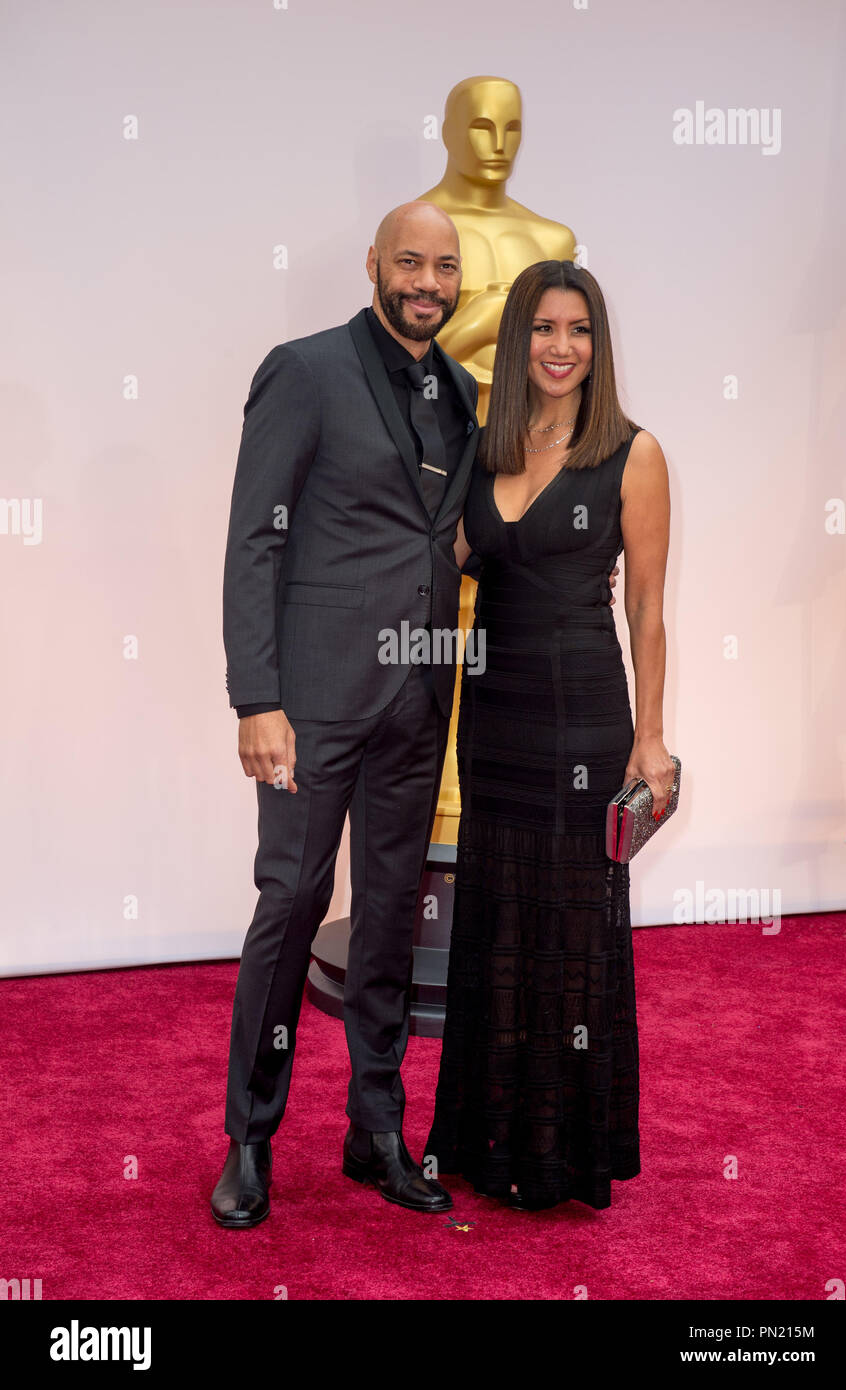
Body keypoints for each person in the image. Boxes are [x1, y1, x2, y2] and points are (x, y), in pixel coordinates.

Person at [211, 201, 484, 1227]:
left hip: (419, 695)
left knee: (386, 919)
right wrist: (257, 698)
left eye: (443, 266)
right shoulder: (305, 368)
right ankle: (247, 1136)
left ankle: (376, 1130)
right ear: (375, 263)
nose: (427, 280)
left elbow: (445, 538)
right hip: (311, 704)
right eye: (409, 261)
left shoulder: (458, 392)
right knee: (288, 904)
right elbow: (253, 540)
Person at [425, 260, 674, 1212]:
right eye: (541, 328)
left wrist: (649, 740)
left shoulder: (632, 454)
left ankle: (563, 1154)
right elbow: (440, 557)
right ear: (516, 338)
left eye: (577, 329)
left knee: (571, 925)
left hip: (582, 711)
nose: (560, 346)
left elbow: (647, 608)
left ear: (596, 344)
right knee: (495, 913)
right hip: (492, 715)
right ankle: (488, 1143)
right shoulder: (485, 452)